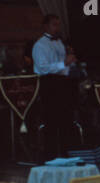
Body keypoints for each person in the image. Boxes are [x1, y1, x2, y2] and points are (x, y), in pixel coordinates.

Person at [32, 13, 79, 158]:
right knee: (51, 119)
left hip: (63, 83)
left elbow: (64, 65)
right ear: (45, 26)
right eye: (54, 24)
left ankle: (65, 152)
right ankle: (50, 154)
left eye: (58, 24)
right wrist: (63, 63)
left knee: (66, 119)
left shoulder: (60, 42)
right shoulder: (39, 45)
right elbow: (43, 68)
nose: (57, 28)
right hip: (49, 84)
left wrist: (70, 64)